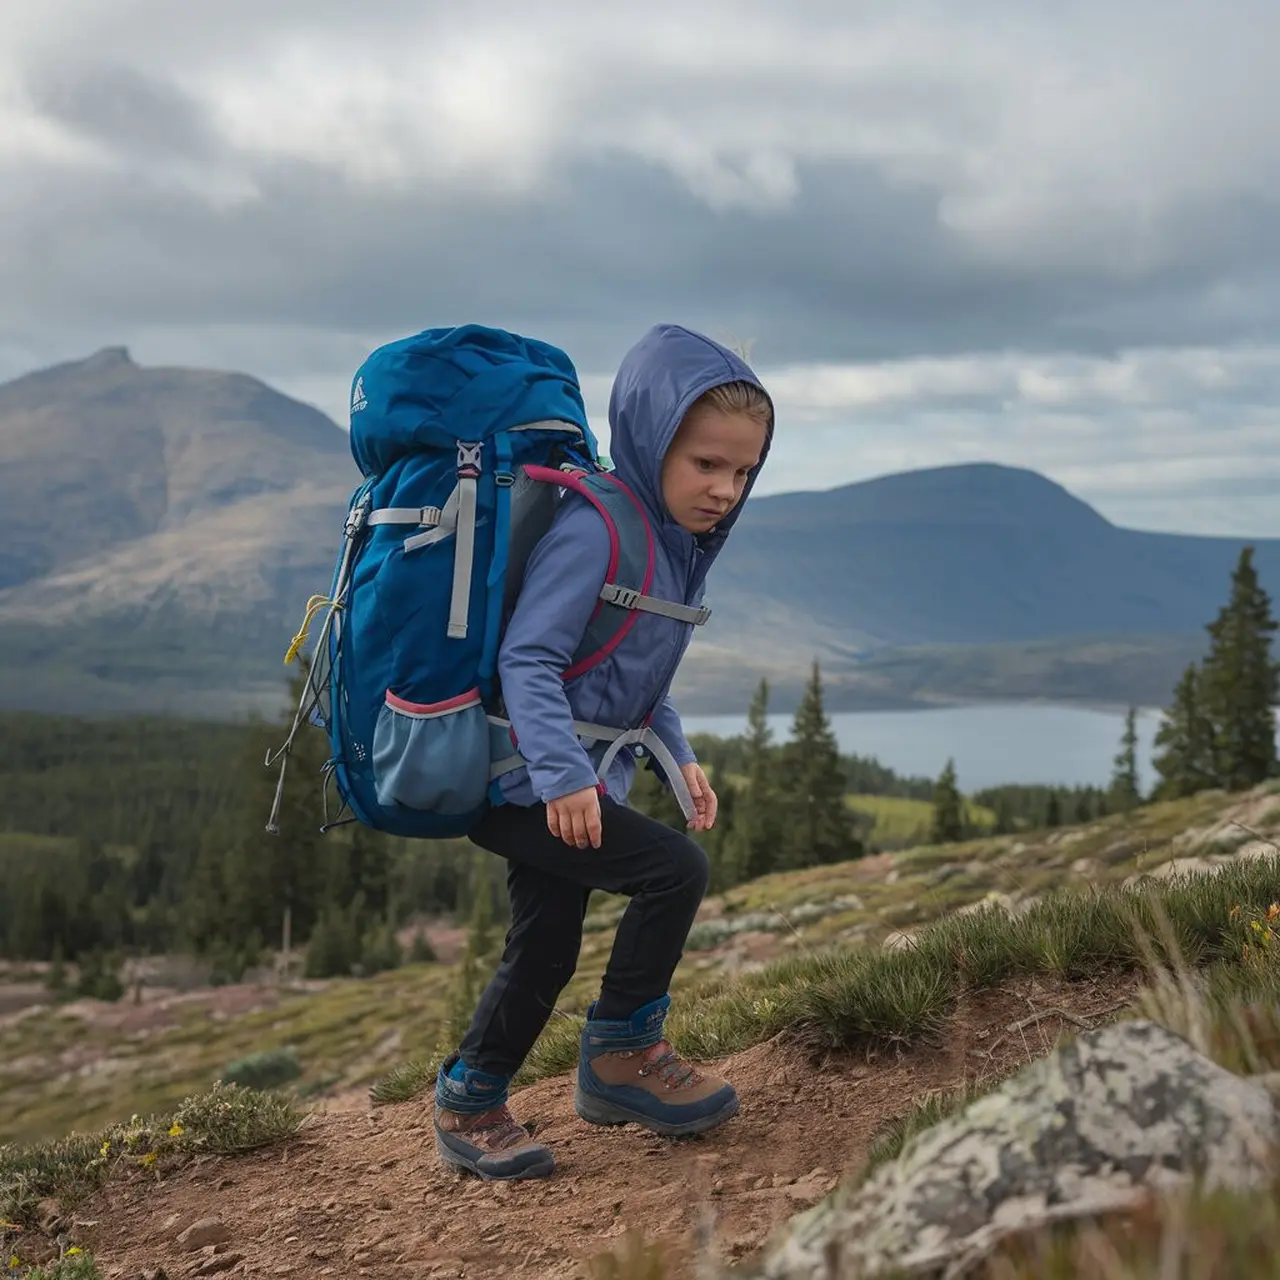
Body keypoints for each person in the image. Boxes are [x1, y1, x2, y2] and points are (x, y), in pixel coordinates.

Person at [433, 323, 774, 1180]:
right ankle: (621, 1055)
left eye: (742, 472)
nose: (724, 489)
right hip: (519, 778)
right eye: (706, 464)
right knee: (674, 870)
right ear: (653, 442)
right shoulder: (598, 529)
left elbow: (627, 673)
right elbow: (530, 660)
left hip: (564, 779)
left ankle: (471, 1099)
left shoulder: (672, 543)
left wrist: (677, 755)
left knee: (546, 942)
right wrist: (562, 779)